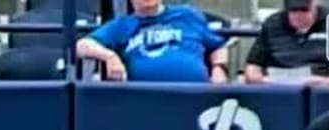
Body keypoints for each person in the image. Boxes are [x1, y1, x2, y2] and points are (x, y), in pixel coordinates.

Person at [75, 0, 229, 83]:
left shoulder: (187, 14)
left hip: (196, 96)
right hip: (146, 100)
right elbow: (82, 46)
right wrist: (110, 57)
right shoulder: (122, 25)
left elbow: (217, 46)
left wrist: (218, 68)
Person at [242, 0, 329, 85]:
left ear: (315, 3)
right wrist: (263, 80)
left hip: (323, 91)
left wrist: (323, 82)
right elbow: (253, 67)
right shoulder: (271, 24)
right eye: (293, 10)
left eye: (304, 10)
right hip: (277, 90)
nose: (298, 15)